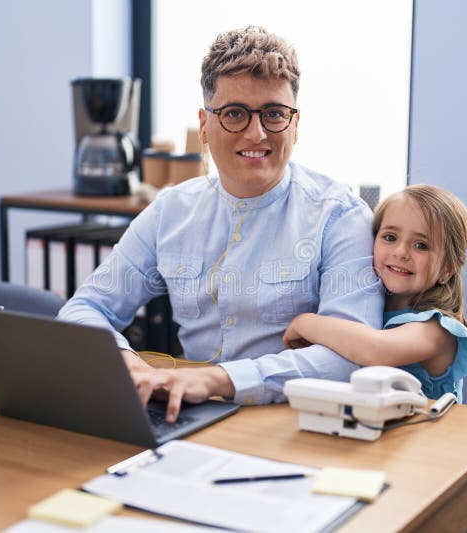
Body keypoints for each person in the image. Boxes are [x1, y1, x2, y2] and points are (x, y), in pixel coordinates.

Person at [57, 26, 382, 422]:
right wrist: (129, 364)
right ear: (204, 125)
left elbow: (351, 360)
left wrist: (220, 380)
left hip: (291, 422)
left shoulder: (341, 217)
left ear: (295, 125)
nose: (256, 134)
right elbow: (85, 308)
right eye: (234, 114)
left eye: (274, 114)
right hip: (185, 414)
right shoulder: (170, 212)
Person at [283, 184, 467, 402]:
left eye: (421, 245)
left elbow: (375, 350)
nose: (400, 252)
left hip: (425, 425)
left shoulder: (438, 330)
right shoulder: (366, 308)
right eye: (390, 237)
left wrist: (304, 323)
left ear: (448, 268)